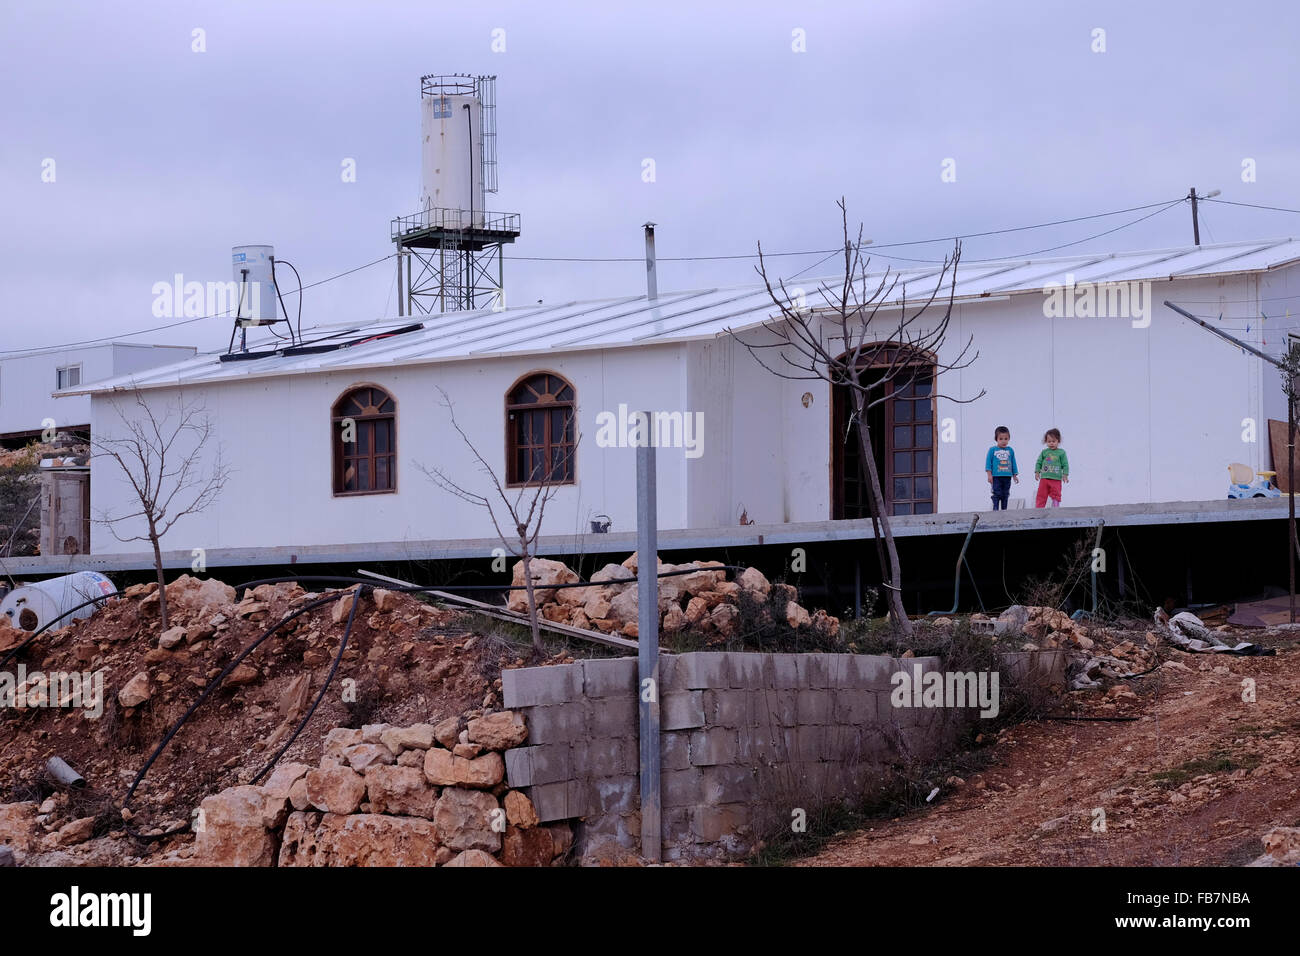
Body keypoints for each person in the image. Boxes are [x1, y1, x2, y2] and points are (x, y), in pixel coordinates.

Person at [984, 426, 1019, 510]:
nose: (1003, 441)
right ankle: (995, 508)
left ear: (1009, 439)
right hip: (996, 476)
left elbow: (1013, 462)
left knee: (1005, 494)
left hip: (1007, 476)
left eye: (1006, 438)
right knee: (997, 493)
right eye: (1001, 439)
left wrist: (1014, 475)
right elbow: (988, 463)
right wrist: (989, 475)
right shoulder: (992, 450)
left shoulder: (1010, 450)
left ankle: (1004, 510)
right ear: (996, 439)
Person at [1034, 428, 1070, 507]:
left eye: (1053, 441)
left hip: (1056, 479)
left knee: (1056, 494)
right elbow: (1039, 462)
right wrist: (1037, 472)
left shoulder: (1061, 452)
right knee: (1041, 494)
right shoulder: (1044, 452)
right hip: (1045, 478)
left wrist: (1065, 474)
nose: (1051, 443)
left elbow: (1065, 464)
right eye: (1049, 441)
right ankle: (1039, 510)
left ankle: (1056, 508)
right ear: (1046, 442)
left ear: (1058, 441)